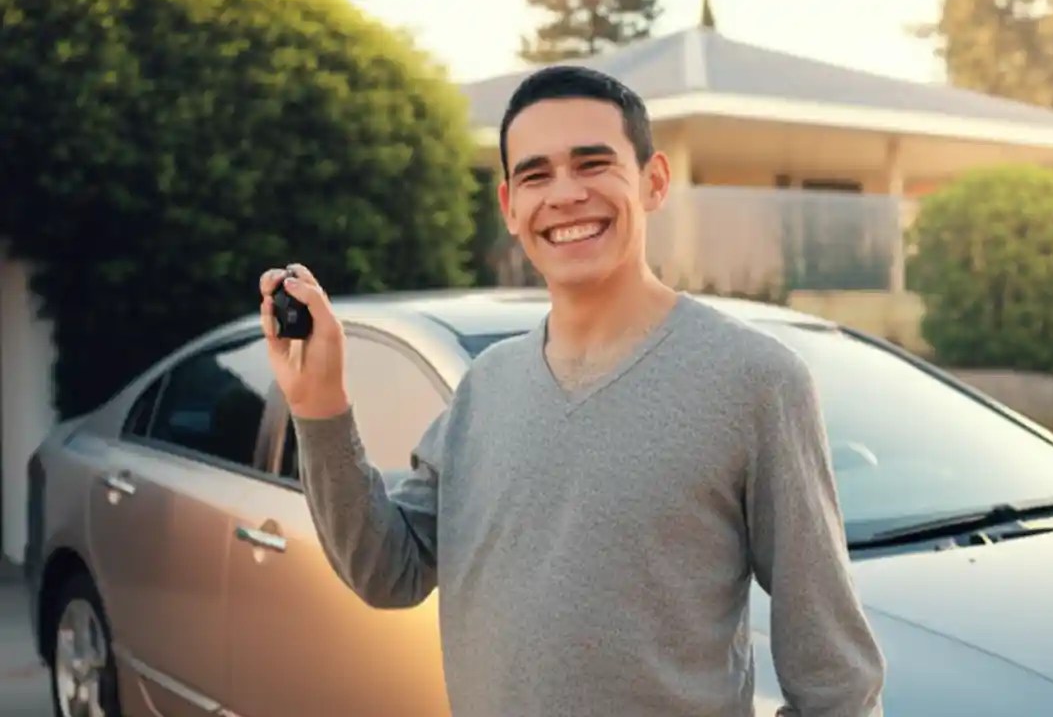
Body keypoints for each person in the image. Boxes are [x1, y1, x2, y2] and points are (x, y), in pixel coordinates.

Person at [258, 64, 886, 716]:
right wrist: (319, 404)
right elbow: (388, 571)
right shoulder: (485, 389)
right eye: (535, 175)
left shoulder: (756, 380)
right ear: (509, 207)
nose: (564, 195)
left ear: (654, 182)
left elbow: (837, 683)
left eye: (593, 164)